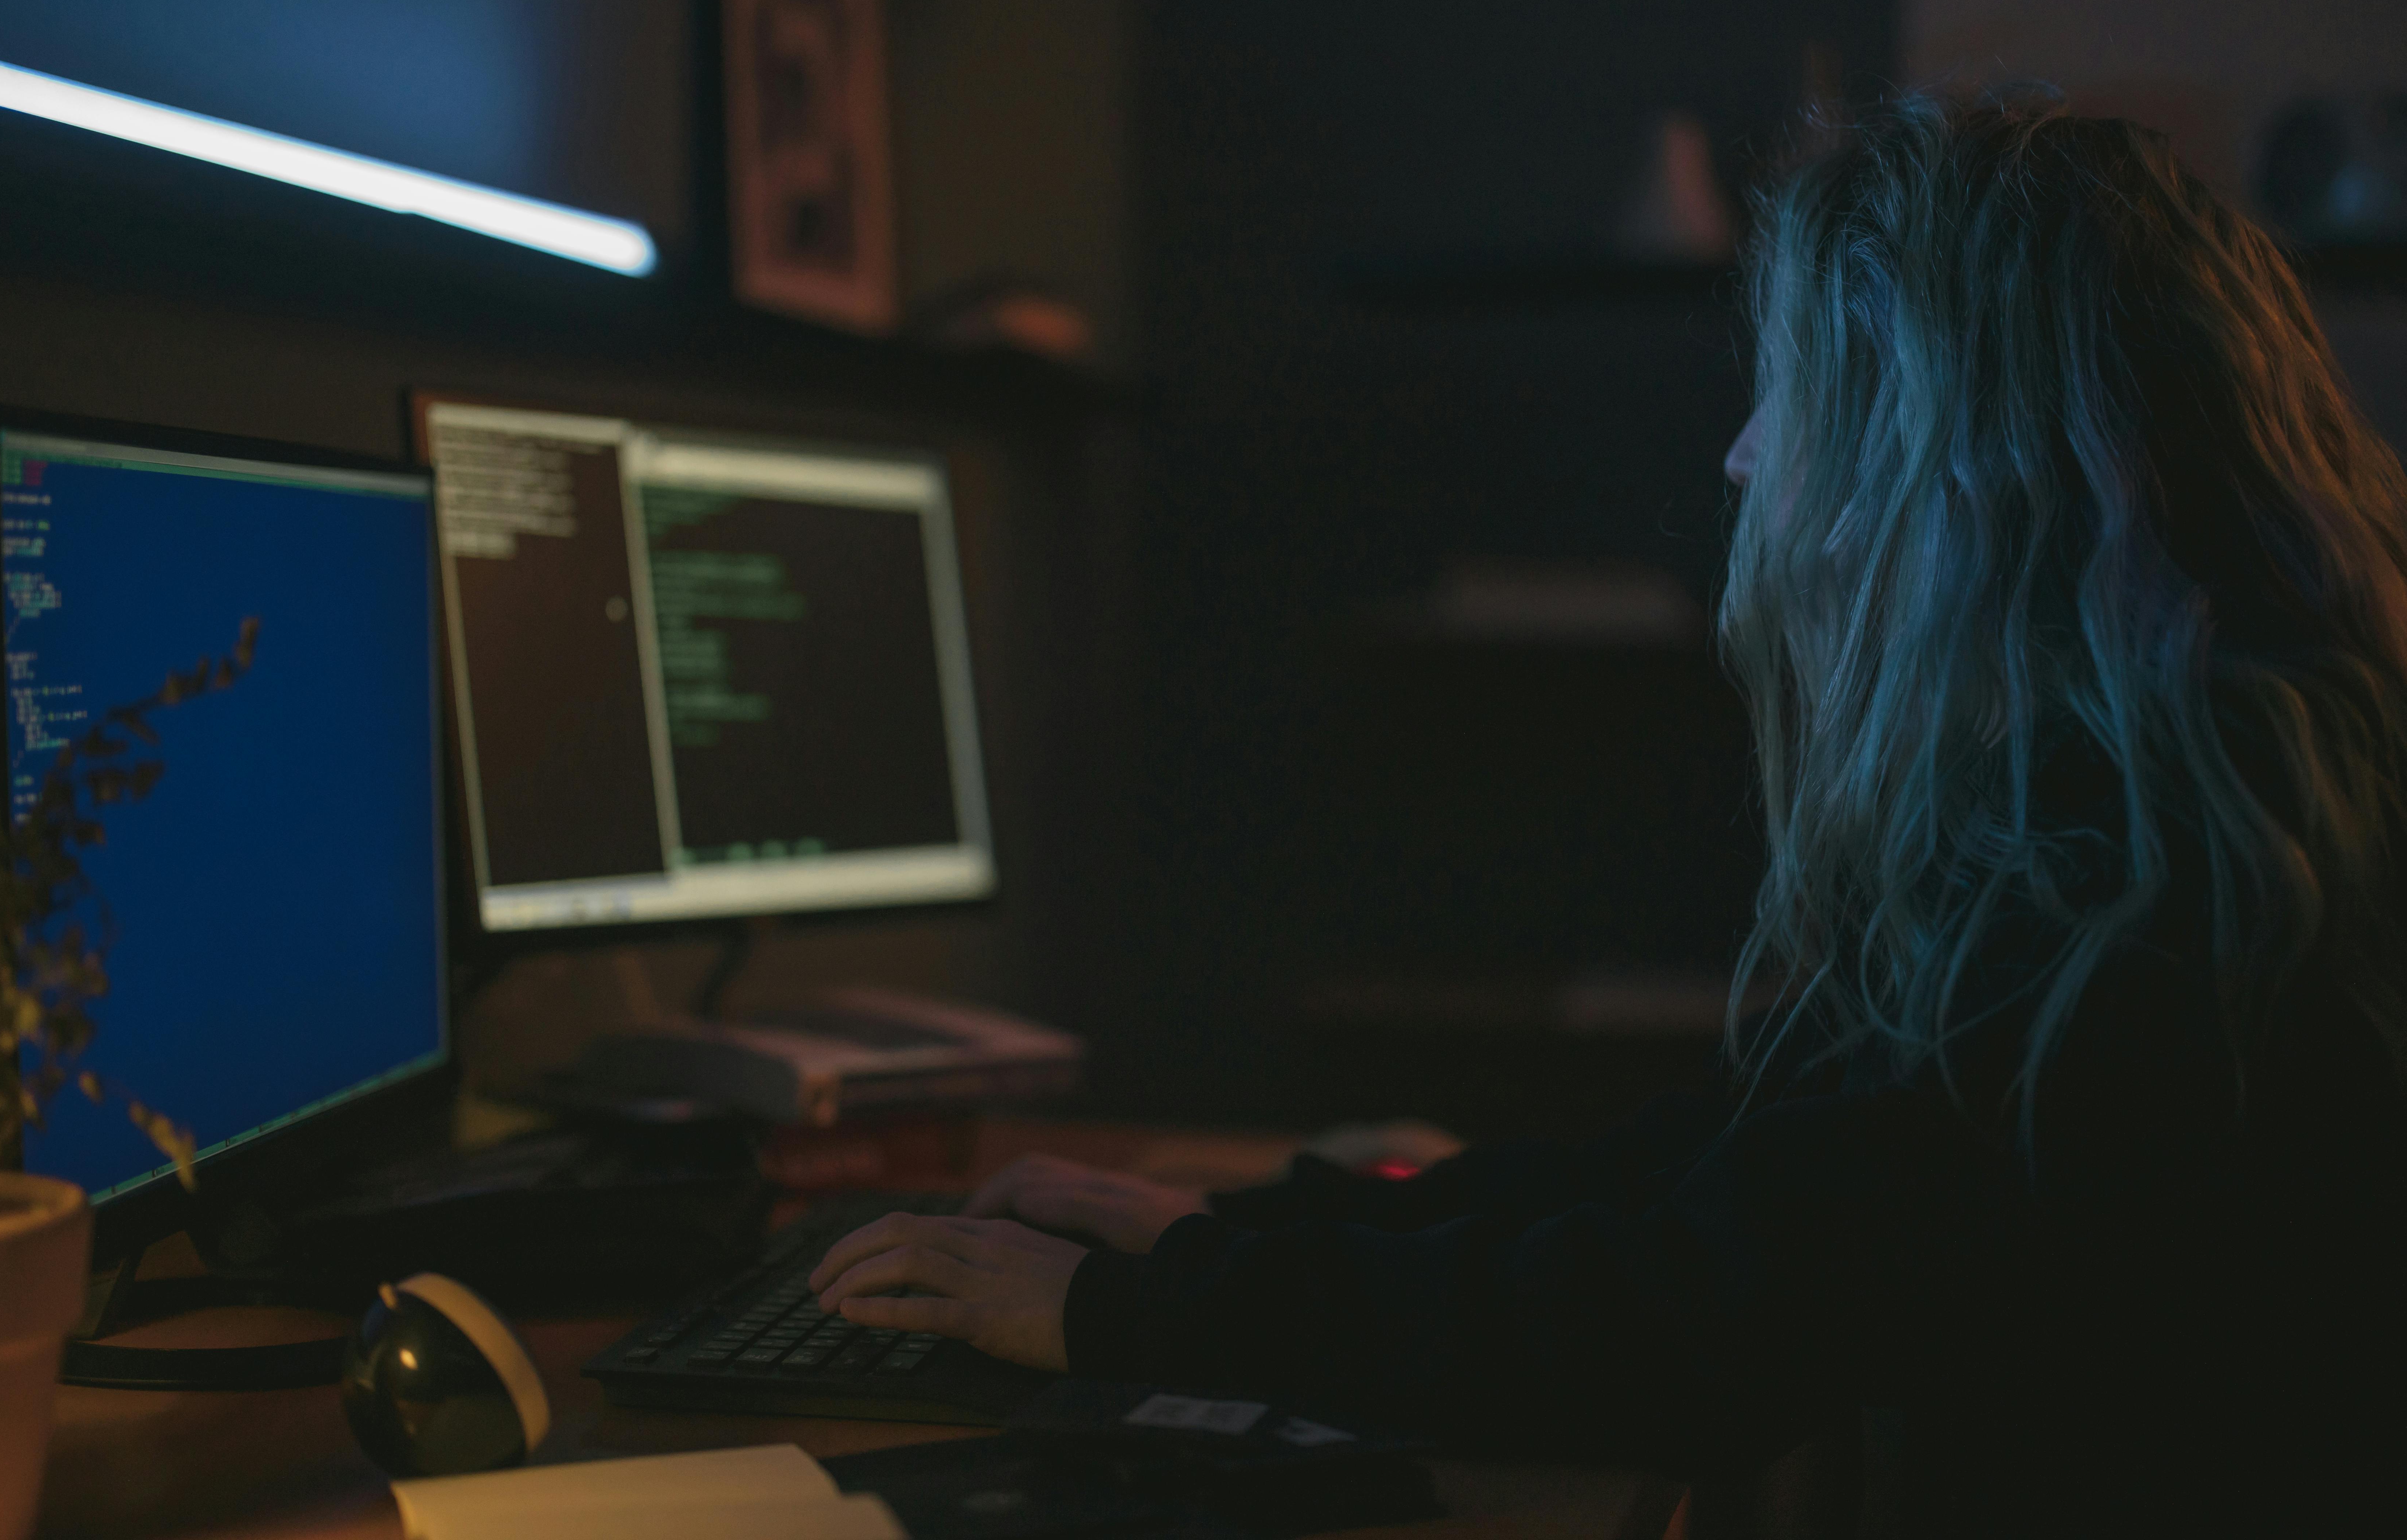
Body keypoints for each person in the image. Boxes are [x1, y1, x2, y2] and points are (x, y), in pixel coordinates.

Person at [809, 89, 2407, 1534]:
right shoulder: (2192, 798)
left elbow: (1689, 1322)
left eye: (1794, 397)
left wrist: (1116, 1318)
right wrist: (1211, 1238)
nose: (1736, 456)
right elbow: (1732, 1172)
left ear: (1944, 457)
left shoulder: (2145, 910)